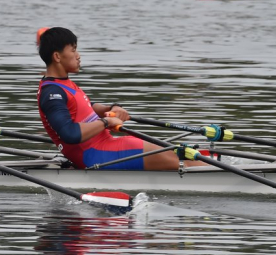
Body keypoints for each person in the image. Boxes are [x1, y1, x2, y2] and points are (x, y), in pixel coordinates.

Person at [36, 27, 180, 171]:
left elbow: (85, 107)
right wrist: (106, 121)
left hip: (105, 146)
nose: (78, 56)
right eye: (73, 50)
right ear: (57, 57)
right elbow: (70, 134)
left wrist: (111, 109)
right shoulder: (52, 93)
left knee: (179, 153)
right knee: (175, 158)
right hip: (94, 155)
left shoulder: (62, 83)